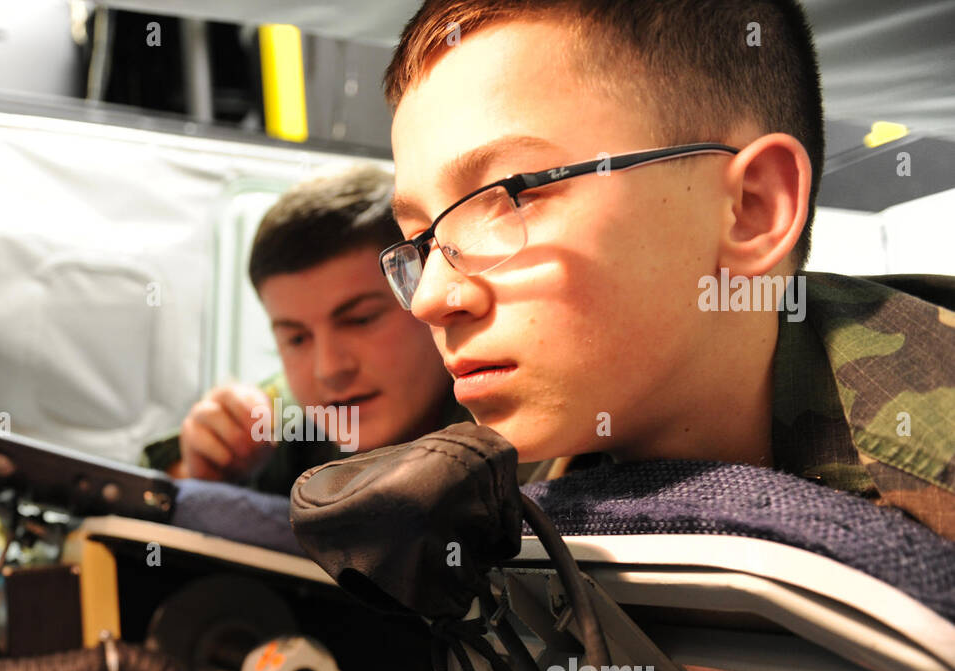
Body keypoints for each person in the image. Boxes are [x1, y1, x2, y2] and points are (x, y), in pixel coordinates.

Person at [378, 0, 955, 540]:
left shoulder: (934, 470)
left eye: (509, 198)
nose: (430, 297)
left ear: (752, 209)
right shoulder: (510, 488)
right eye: (418, 241)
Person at [141, 164, 478, 495]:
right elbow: (155, 479)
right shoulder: (287, 416)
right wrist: (205, 468)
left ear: (427, 295)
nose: (329, 369)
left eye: (361, 320)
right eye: (297, 338)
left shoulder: (498, 415)